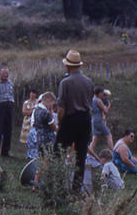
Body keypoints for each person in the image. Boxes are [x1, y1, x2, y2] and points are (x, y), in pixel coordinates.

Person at [56, 49, 95, 192]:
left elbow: (61, 108)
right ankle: (77, 187)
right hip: (85, 119)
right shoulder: (89, 82)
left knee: (58, 152)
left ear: (68, 66)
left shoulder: (65, 83)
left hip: (70, 119)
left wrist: (61, 123)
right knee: (81, 154)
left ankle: (58, 184)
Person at [30, 91, 57, 159]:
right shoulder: (46, 113)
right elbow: (53, 127)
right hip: (48, 140)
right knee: (47, 159)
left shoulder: (36, 110)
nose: (52, 107)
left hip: (39, 137)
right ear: (49, 100)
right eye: (52, 104)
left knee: (42, 158)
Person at [91, 86, 112, 154]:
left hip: (94, 120)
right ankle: (113, 152)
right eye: (102, 93)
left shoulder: (93, 99)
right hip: (99, 120)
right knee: (109, 135)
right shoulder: (98, 100)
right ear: (99, 93)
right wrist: (109, 106)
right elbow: (105, 111)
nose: (103, 94)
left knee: (95, 139)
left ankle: (89, 154)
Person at [19, 88, 37, 153]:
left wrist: (29, 111)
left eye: (33, 93)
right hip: (27, 122)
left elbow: (37, 111)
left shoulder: (38, 102)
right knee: (27, 137)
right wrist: (33, 111)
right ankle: (28, 152)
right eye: (31, 93)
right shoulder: (26, 102)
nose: (32, 94)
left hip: (35, 121)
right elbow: (24, 112)